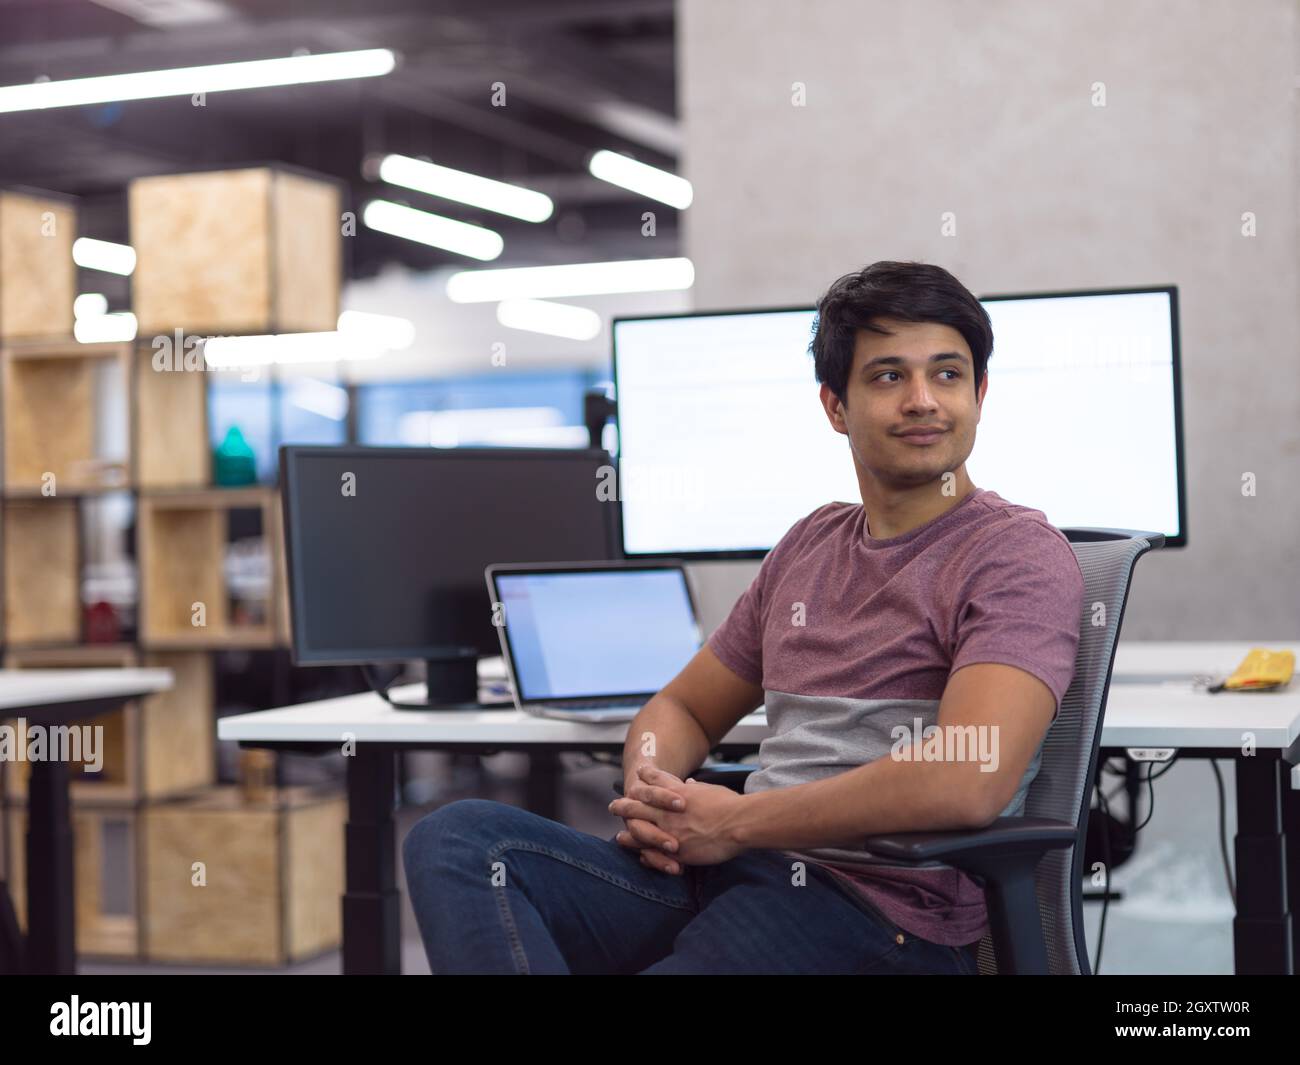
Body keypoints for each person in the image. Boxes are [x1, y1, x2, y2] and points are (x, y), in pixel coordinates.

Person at [402, 260, 1085, 974]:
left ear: (979, 392)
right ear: (835, 406)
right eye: (889, 376)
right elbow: (684, 708)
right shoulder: (811, 543)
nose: (923, 400)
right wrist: (653, 790)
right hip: (727, 878)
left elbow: (967, 772)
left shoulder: (1013, 554)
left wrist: (732, 822)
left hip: (871, 914)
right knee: (458, 840)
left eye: (947, 374)